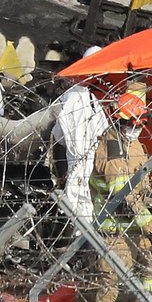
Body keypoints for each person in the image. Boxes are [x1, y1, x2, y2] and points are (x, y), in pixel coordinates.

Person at [90, 88, 152, 302]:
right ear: (118, 122)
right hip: (115, 230)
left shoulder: (134, 144)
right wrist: (148, 223)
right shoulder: (111, 150)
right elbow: (123, 192)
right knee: (111, 284)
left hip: (139, 228)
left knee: (149, 277)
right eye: (131, 124)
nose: (136, 129)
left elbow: (142, 180)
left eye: (139, 124)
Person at [53, 46, 110, 224]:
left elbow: (58, 134)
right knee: (77, 206)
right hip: (77, 162)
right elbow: (61, 135)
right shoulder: (76, 98)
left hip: (84, 163)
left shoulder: (88, 98)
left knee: (82, 205)